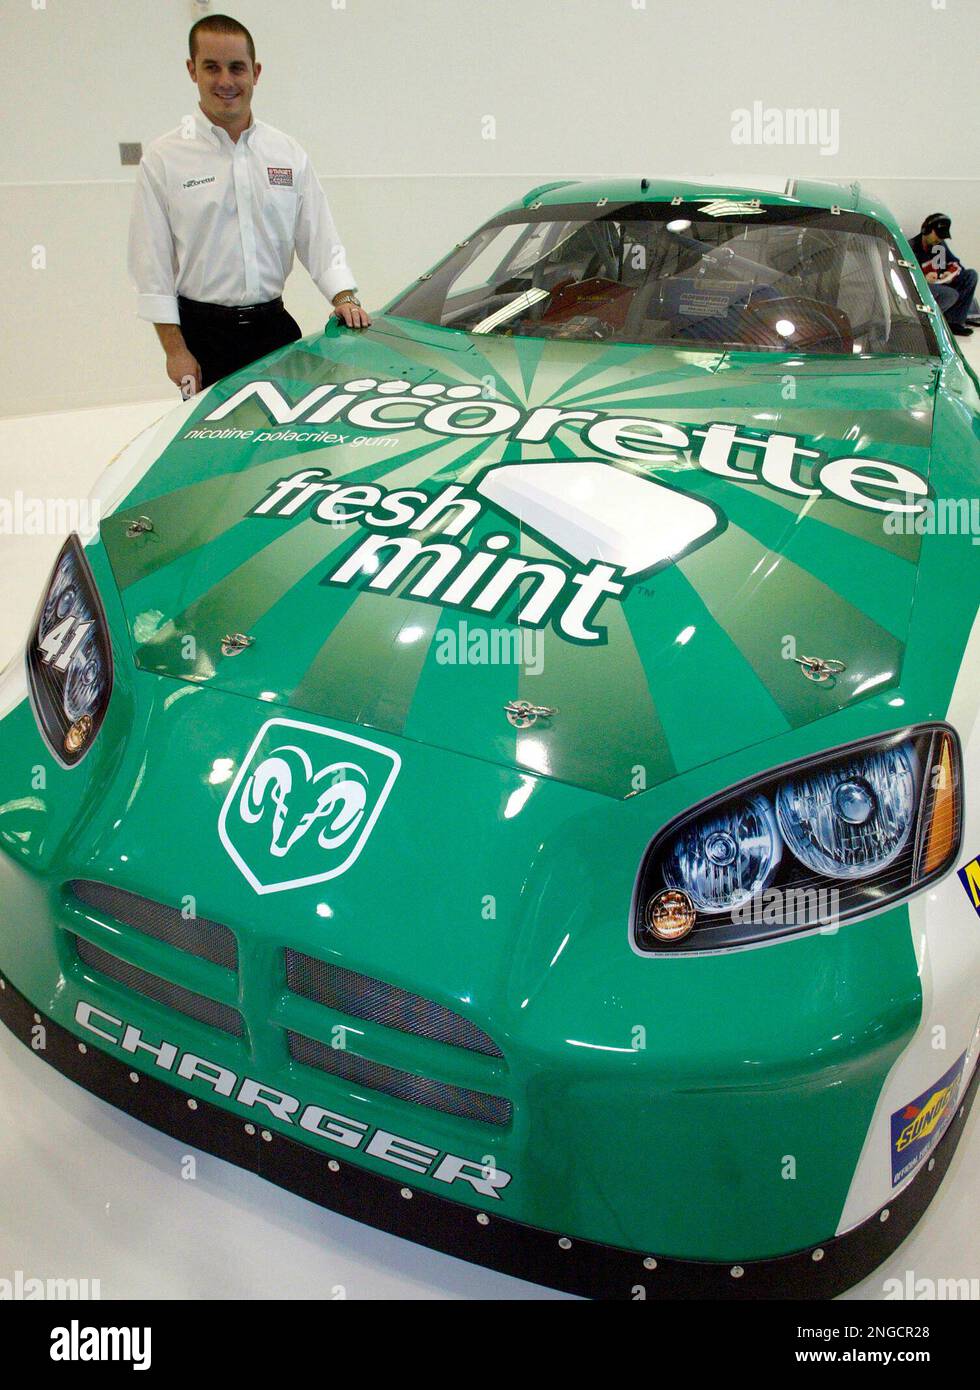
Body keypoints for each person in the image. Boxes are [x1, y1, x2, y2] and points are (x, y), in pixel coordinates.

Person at [128, 13, 370, 396]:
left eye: (236, 68)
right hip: (203, 338)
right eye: (212, 67)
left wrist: (344, 297)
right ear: (192, 70)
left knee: (285, 443)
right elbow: (152, 268)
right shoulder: (164, 159)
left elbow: (319, 240)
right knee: (213, 452)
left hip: (274, 331)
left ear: (255, 73)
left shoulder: (287, 154)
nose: (226, 81)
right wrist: (175, 351)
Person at [908, 213, 977, 338]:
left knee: (971, 275)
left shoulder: (940, 246)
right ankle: (929, 322)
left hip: (941, 283)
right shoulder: (911, 247)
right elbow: (905, 276)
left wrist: (950, 273)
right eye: (938, 235)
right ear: (926, 229)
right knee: (951, 294)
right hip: (925, 287)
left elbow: (956, 264)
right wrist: (923, 278)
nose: (939, 239)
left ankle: (954, 322)